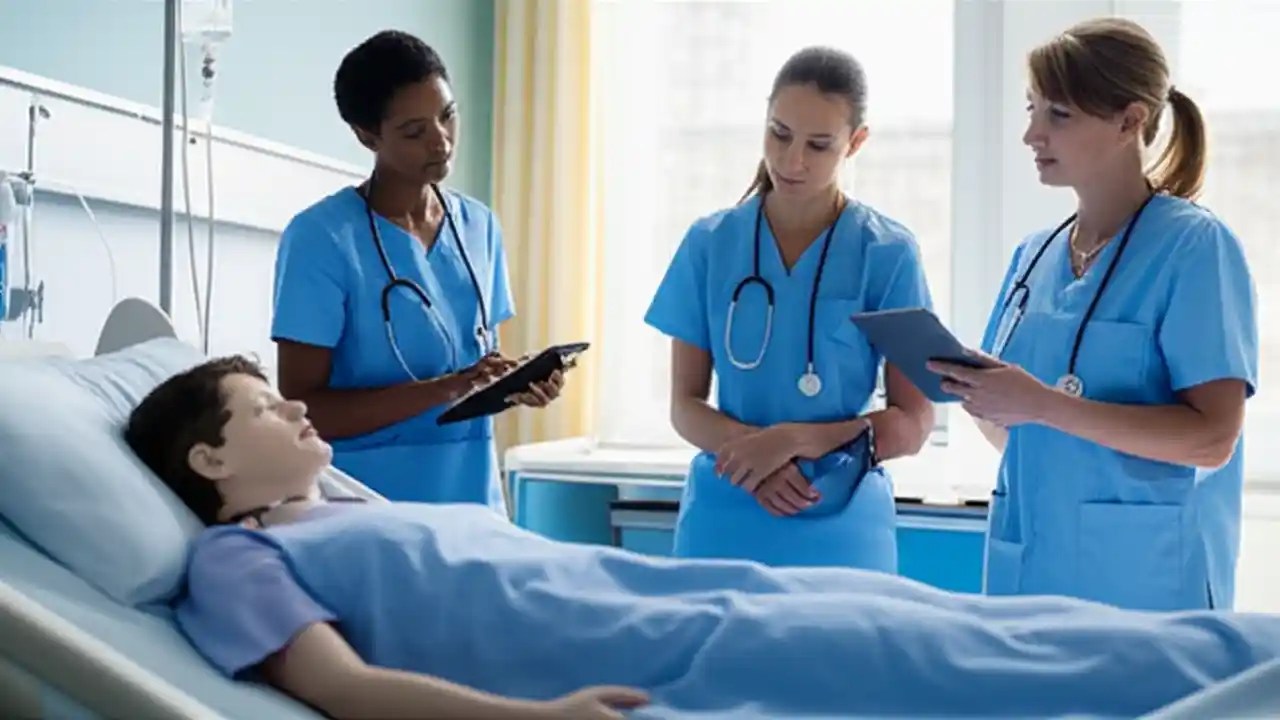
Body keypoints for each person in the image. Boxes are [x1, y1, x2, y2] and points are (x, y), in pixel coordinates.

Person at [126, 355, 1280, 720]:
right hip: (670, 658)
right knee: (981, 669)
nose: (294, 409)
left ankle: (1250, 661)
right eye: (263, 409)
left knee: (1009, 630)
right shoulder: (238, 561)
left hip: (712, 599)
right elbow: (348, 691)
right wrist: (537, 719)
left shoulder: (335, 514)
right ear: (213, 463)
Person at [928, 18, 1258, 612]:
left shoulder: (1193, 247)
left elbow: (1212, 439)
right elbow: (1017, 434)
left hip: (1144, 583)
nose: (1031, 134)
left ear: (1130, 121)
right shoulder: (1034, 257)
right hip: (1028, 569)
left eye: (1058, 114)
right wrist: (981, 394)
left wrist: (1041, 403)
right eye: (1031, 109)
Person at [643, 47, 935, 570]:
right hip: (726, 512)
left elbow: (913, 422)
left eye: (819, 145)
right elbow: (684, 405)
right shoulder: (710, 243)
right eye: (779, 134)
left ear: (856, 143)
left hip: (843, 525)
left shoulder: (889, 253)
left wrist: (799, 441)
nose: (792, 160)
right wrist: (755, 457)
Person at [269, 30, 563, 510]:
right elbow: (306, 410)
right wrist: (448, 387)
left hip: (472, 493)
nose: (441, 141)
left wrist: (519, 383)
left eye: (447, 116)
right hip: (367, 499)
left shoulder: (479, 227)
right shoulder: (320, 239)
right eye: (414, 131)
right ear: (368, 136)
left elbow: (479, 369)